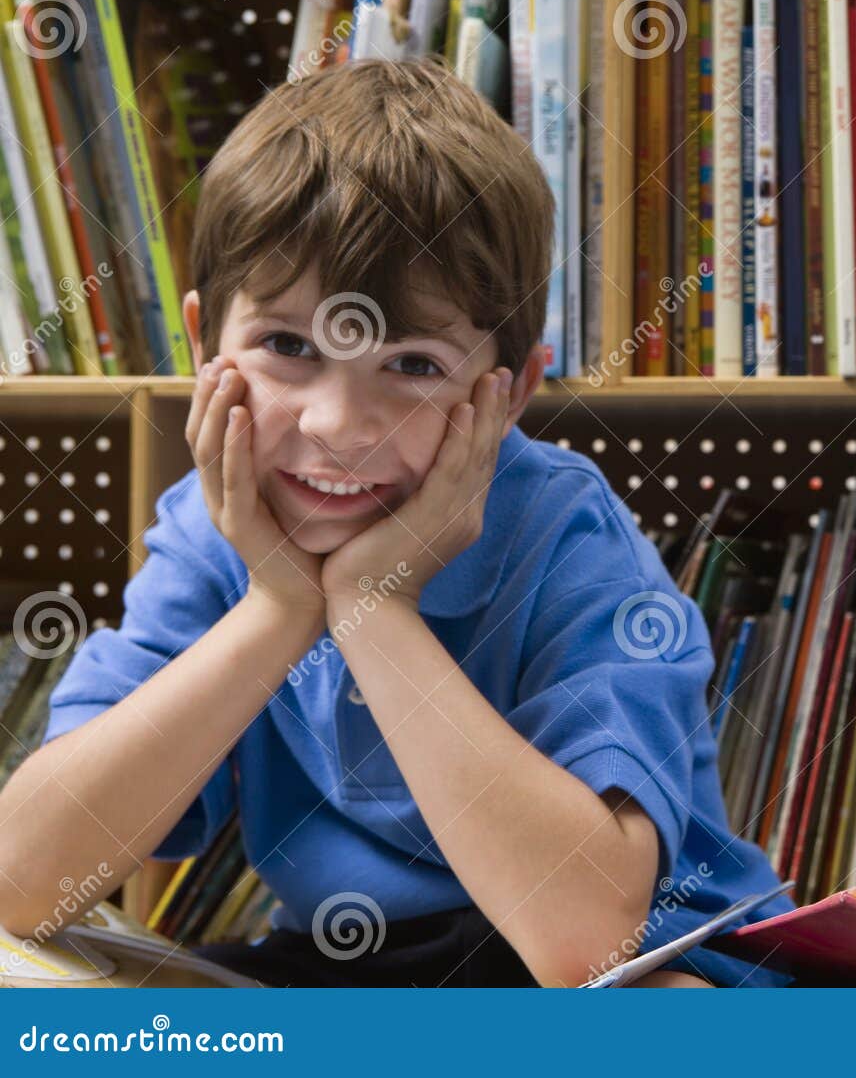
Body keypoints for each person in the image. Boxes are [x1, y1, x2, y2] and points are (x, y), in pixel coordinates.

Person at [0, 55, 789, 988]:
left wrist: (376, 608)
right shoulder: (215, 528)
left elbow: (585, 941)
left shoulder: (568, 537)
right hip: (352, 966)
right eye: (288, 347)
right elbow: (20, 882)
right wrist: (278, 606)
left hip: (626, 958)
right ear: (207, 341)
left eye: (412, 365)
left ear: (512, 391)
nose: (337, 428)